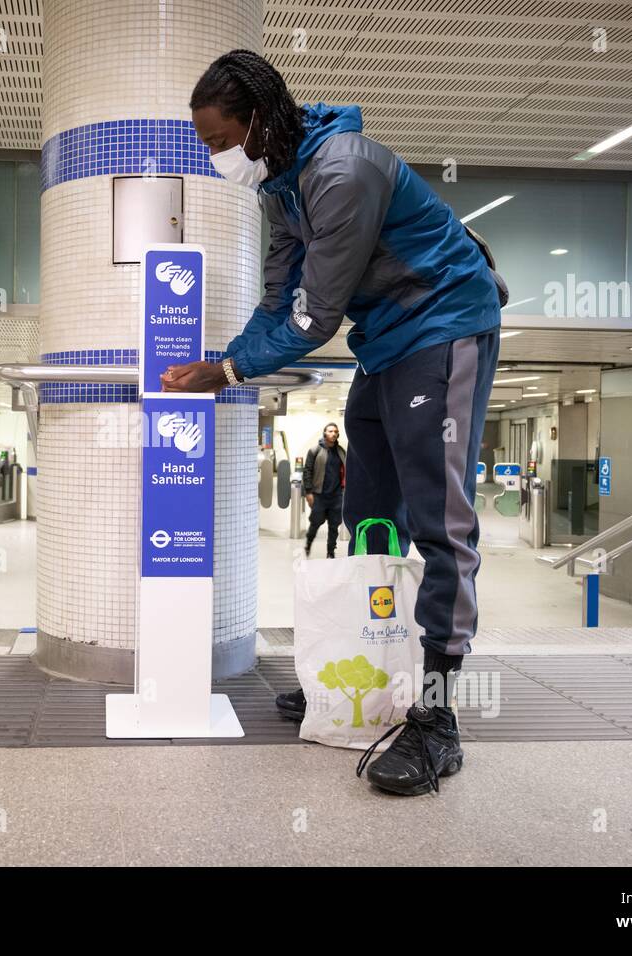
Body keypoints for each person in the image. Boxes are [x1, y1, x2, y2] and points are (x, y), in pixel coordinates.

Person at [163, 50, 504, 796]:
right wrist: (228, 356)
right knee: (368, 508)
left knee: (439, 522)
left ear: (258, 121)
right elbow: (279, 292)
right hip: (384, 342)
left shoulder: (342, 173)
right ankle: (367, 676)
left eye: (220, 141)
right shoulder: (281, 187)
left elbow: (314, 314)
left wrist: (224, 372)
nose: (215, 156)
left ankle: (438, 720)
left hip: (443, 327)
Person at [302, 422, 344, 558]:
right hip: (320, 495)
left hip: (337, 496)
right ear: (324, 433)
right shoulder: (315, 450)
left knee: (334, 526)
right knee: (315, 522)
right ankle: (308, 544)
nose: (333, 434)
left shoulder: (341, 451)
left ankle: (330, 552)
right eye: (330, 431)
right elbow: (307, 471)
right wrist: (308, 492)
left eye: (335, 432)